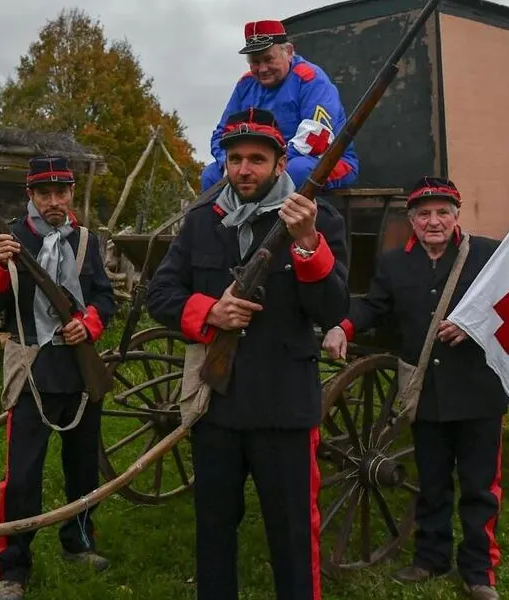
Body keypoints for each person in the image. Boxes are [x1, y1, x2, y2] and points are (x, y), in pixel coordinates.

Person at [146, 107, 350, 600]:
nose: (243, 170)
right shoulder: (201, 222)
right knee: (214, 531)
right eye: (235, 159)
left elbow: (332, 307)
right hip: (217, 406)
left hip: (283, 406)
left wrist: (306, 242)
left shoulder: (319, 222)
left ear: (281, 163)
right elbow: (161, 294)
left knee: (293, 535)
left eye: (257, 159)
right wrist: (209, 312)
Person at [321, 177, 508, 600]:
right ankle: (431, 558)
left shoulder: (487, 255)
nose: (434, 221)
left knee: (480, 487)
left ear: (457, 215)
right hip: (426, 393)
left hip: (478, 391)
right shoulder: (393, 263)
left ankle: (479, 574)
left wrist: (473, 324)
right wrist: (343, 326)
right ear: (412, 220)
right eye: (424, 214)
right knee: (433, 481)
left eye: (442, 212)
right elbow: (374, 305)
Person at [0, 156, 117, 600]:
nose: (54, 202)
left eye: (61, 193)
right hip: (32, 371)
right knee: (21, 476)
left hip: (78, 369)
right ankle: (13, 566)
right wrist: (2, 264)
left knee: (82, 468)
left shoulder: (85, 241)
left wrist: (88, 324)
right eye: (45, 194)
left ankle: (79, 542)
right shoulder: (9, 240)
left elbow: (103, 297)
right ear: (31, 196)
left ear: (71, 194)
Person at [200, 19, 360, 193]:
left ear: (289, 52)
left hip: (323, 160)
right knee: (210, 175)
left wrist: (270, 167)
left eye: (268, 59)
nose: (262, 69)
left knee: (295, 172)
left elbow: (316, 137)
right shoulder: (245, 84)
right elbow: (222, 133)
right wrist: (227, 162)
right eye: (255, 62)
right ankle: (226, 220)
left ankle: (282, 220)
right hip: (260, 162)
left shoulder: (311, 79)